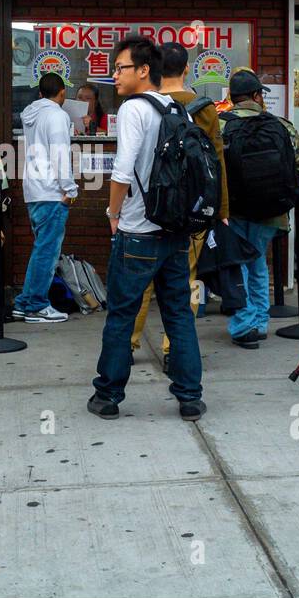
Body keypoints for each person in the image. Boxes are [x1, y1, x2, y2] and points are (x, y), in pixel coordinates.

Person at [91, 35, 205, 422]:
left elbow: (122, 170)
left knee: (121, 314)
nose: (114, 75)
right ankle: (190, 397)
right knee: (178, 314)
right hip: (174, 231)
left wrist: (112, 211)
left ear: (143, 71)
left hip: (138, 231)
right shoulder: (177, 108)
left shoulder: (133, 110)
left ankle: (107, 395)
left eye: (120, 68)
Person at [130, 42, 229, 362]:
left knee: (141, 278)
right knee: (187, 280)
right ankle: (175, 349)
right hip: (193, 208)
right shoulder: (204, 108)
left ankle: (128, 342)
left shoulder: (143, 104)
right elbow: (217, 162)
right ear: (187, 69)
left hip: (152, 205)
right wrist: (221, 209)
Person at [218, 70, 299, 346]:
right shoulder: (279, 125)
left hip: (233, 210)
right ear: (257, 96)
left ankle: (244, 324)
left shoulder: (220, 125)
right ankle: (259, 321)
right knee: (257, 261)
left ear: (231, 98)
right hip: (270, 210)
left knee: (239, 264)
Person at [12, 72, 78, 323]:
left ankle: (25, 302)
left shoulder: (31, 114)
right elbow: (60, 155)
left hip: (34, 190)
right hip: (52, 191)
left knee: (41, 250)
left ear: (40, 93)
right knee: (47, 252)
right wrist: (70, 191)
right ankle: (37, 305)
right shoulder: (57, 115)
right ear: (62, 93)